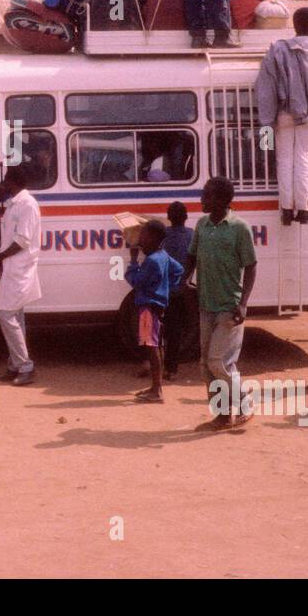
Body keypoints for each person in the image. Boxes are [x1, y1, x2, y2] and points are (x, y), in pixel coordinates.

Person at [183, 176, 258, 430]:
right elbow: (192, 256)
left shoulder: (240, 228)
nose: (202, 199)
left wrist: (244, 302)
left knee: (218, 362)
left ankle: (244, 402)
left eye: (206, 195)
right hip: (205, 304)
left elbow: (250, 266)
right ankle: (223, 414)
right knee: (206, 364)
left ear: (221, 200)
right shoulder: (202, 225)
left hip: (230, 305)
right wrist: (184, 279)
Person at [256, 7, 308, 224]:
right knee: (303, 157)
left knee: (284, 158)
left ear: (294, 25)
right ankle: (304, 209)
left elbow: (266, 86)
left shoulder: (278, 48)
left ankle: (286, 209)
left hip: (284, 111)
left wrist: (266, 125)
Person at [126, 219, 184, 404]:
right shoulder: (163, 255)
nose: (140, 239)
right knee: (155, 345)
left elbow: (135, 281)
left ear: (154, 238)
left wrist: (133, 261)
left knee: (151, 347)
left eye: (143, 235)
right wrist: (166, 287)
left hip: (148, 307)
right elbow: (179, 270)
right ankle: (154, 387)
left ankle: (157, 390)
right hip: (157, 305)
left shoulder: (151, 261)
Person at [0, 164, 42, 386]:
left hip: (20, 267)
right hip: (13, 268)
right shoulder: (14, 204)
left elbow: (22, 240)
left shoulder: (27, 204)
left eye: (5, 180)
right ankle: (15, 365)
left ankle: (25, 366)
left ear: (12, 182)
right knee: (16, 317)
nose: (3, 183)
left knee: (6, 316)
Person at [160, 201, 197, 380]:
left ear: (168, 218)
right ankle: (171, 369)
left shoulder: (162, 236)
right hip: (183, 290)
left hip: (162, 290)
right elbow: (196, 259)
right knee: (177, 330)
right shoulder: (192, 235)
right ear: (186, 217)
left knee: (161, 329)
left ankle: (156, 363)